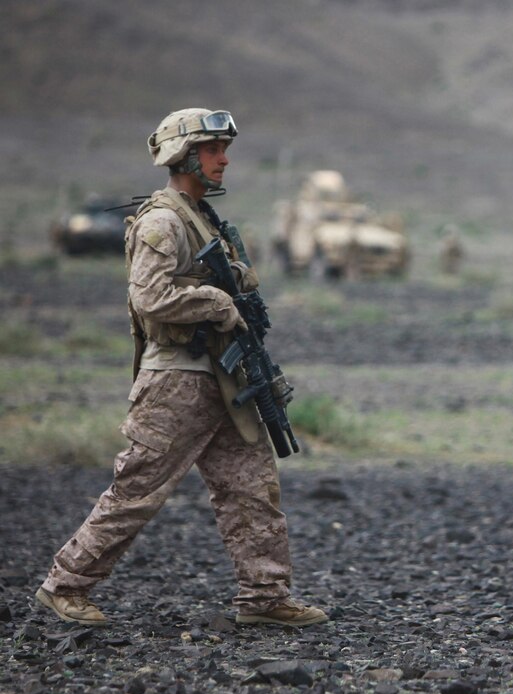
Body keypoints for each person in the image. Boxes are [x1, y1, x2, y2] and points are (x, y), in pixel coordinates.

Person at [35, 108, 328, 629]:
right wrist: (215, 302)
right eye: (213, 149)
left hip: (225, 377)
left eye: (223, 149)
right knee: (137, 489)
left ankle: (264, 596)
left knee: (252, 485)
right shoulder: (163, 220)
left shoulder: (204, 218)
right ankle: (65, 585)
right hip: (177, 379)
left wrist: (234, 284)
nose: (224, 159)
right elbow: (150, 297)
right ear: (184, 155)